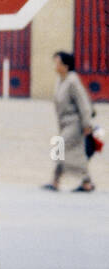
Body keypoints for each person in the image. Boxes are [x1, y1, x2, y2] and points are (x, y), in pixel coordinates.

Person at [45, 51, 95, 192]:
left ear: (66, 66)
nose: (55, 66)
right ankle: (59, 180)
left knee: (60, 147)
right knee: (66, 151)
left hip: (75, 123)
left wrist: (87, 124)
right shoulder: (61, 80)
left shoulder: (72, 80)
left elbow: (83, 103)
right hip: (65, 123)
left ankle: (63, 180)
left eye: (58, 63)